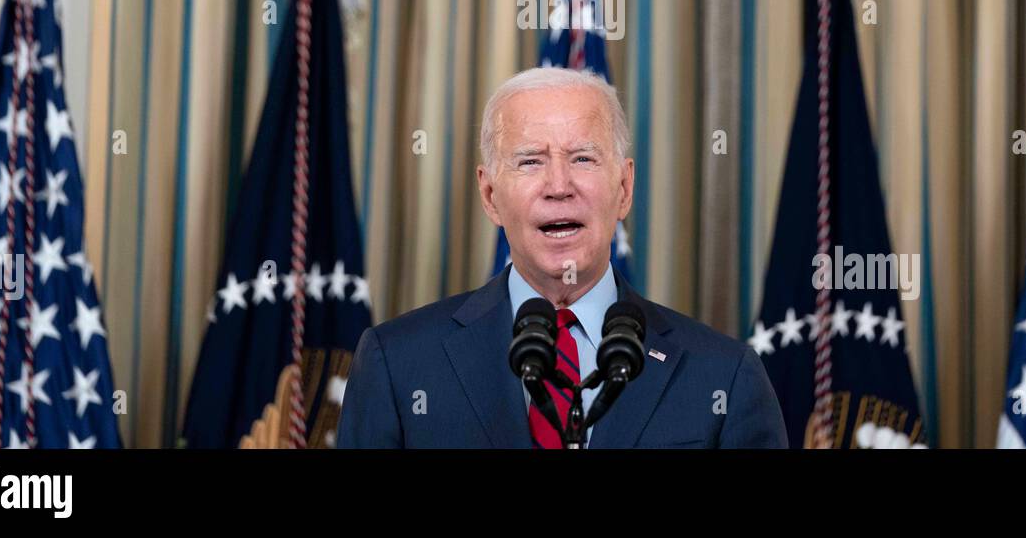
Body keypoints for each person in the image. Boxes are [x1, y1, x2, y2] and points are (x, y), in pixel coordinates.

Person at [337, 66, 788, 448]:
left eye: (583, 159)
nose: (559, 185)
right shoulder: (396, 363)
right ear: (490, 195)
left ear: (624, 188)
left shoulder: (725, 376)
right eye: (530, 161)